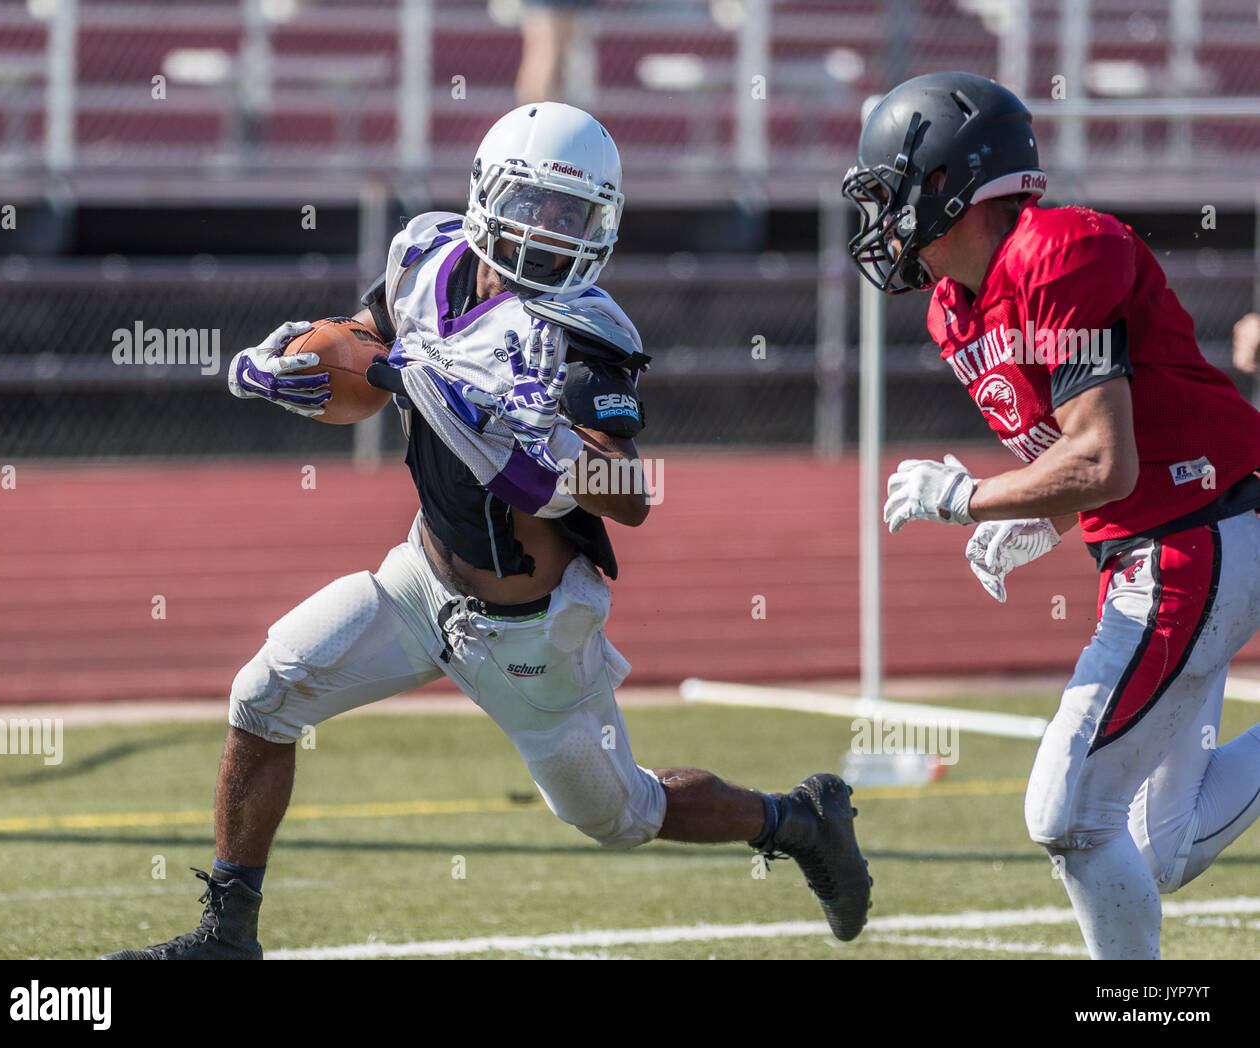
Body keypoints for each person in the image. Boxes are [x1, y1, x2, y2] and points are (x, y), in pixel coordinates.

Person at [101, 102, 870, 960]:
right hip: (419, 579)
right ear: (488, 194)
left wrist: (542, 442)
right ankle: (227, 936)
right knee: (264, 694)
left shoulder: (582, 334)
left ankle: (799, 822)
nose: (554, 233)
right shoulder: (426, 256)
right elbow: (366, 352)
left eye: (575, 216)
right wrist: (298, 371)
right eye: (539, 206)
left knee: (623, 817)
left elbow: (629, 493)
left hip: (527, 631)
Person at [842, 71, 1260, 960]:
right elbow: (1088, 456)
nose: (881, 216)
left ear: (952, 181)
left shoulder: (1058, 251)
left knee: (1066, 811)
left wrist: (966, 499)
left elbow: (1106, 459)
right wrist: (1043, 516)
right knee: (1160, 846)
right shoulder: (955, 309)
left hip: (1199, 532)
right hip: (1172, 535)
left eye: (890, 190)